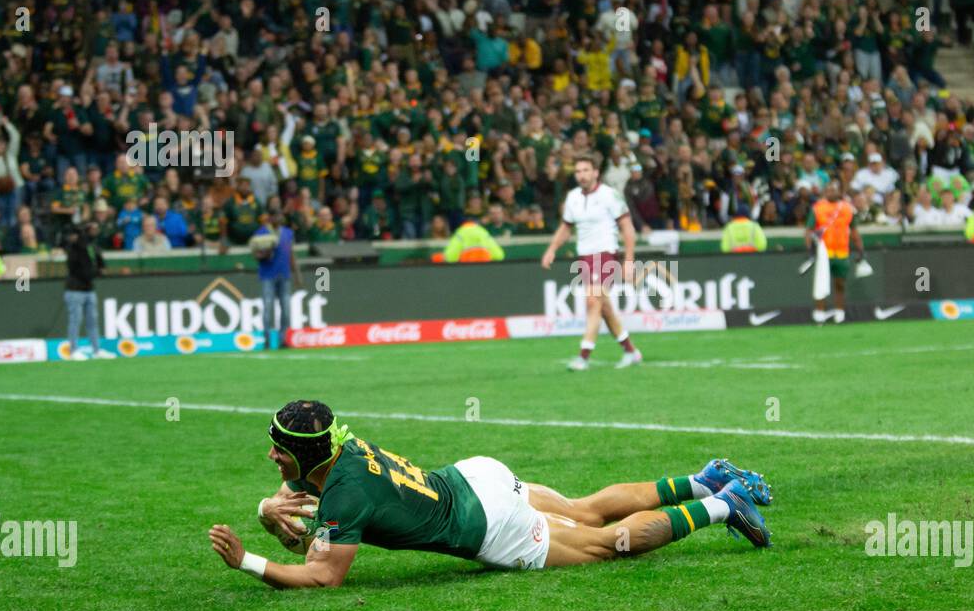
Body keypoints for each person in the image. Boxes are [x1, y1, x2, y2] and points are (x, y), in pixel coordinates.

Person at [207, 400, 773, 588]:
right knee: (583, 508)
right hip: (476, 475)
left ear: (308, 453)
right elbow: (294, 491)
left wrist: (248, 561)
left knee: (604, 544)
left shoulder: (345, 496)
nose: (272, 458)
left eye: (280, 449)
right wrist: (264, 507)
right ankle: (705, 478)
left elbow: (324, 575)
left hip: (490, 525)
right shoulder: (340, 449)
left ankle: (724, 503)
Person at [541, 157, 642, 370]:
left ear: (596, 173)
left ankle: (583, 356)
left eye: (586, 170)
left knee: (592, 300)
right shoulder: (573, 197)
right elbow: (566, 227)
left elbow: (627, 227)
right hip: (585, 257)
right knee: (603, 307)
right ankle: (630, 351)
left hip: (605, 253)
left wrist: (630, 260)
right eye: (578, 171)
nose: (582, 174)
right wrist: (552, 249)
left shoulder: (609, 195)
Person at [805, 178, 864, 323]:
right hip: (824, 251)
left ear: (839, 191)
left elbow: (854, 231)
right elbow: (808, 230)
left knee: (840, 284)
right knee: (821, 283)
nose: (832, 192)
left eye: (835, 190)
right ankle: (819, 313)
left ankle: (839, 313)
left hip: (842, 251)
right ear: (825, 192)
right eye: (829, 190)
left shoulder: (847, 208)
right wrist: (810, 250)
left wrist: (860, 249)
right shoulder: (818, 208)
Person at [62, 220, 115, 360]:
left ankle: (96, 350)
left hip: (89, 289)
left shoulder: (93, 246)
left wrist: (98, 269)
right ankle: (74, 350)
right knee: (75, 321)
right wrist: (97, 271)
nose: (95, 231)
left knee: (93, 321)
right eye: (92, 229)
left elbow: (99, 262)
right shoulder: (75, 248)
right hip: (75, 290)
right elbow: (81, 268)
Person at [253, 212, 300, 351]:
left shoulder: (288, 233)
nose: (278, 218)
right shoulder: (262, 232)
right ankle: (266, 339)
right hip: (268, 275)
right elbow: (255, 252)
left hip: (284, 274)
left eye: (279, 215)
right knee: (268, 308)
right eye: (274, 215)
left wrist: (297, 274)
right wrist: (264, 254)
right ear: (270, 217)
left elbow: (291, 253)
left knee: (286, 309)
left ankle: (283, 339)